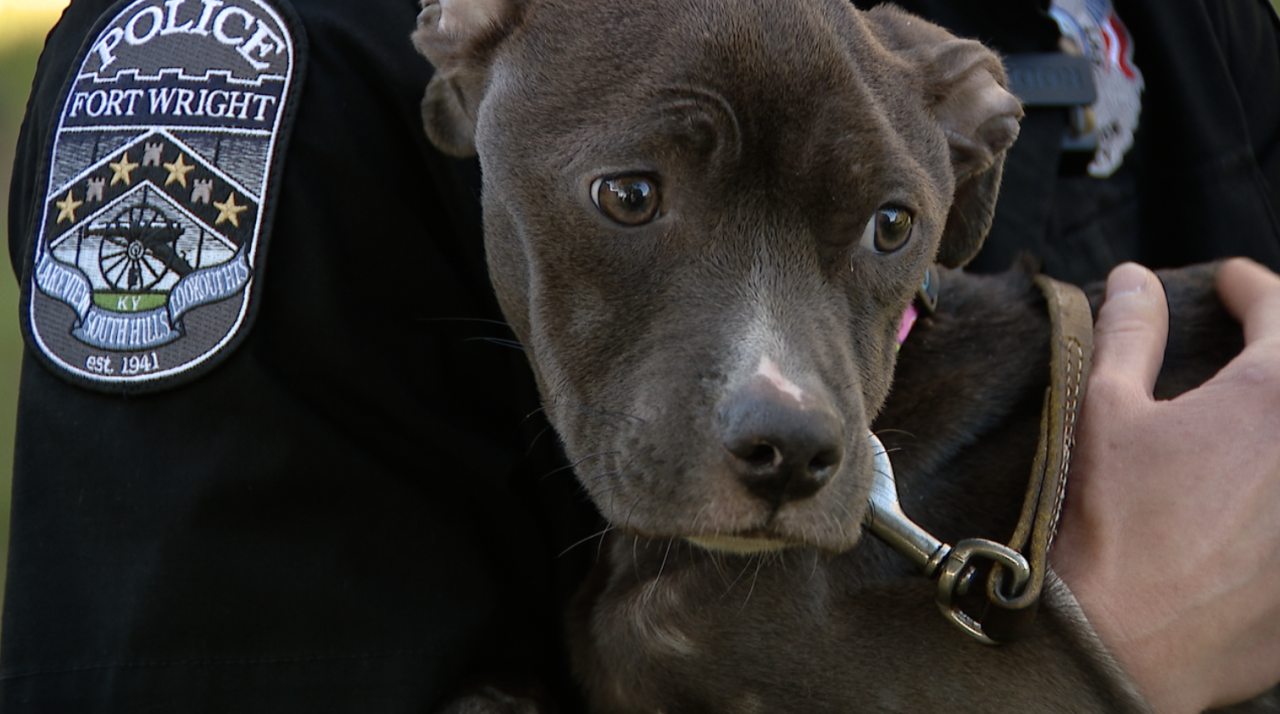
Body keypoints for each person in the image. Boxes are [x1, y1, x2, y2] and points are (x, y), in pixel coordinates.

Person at [2, 1, 1278, 714]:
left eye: (892, 227)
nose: (787, 401)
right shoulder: (254, 53)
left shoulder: (1172, 23)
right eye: (629, 199)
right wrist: (1111, 653)